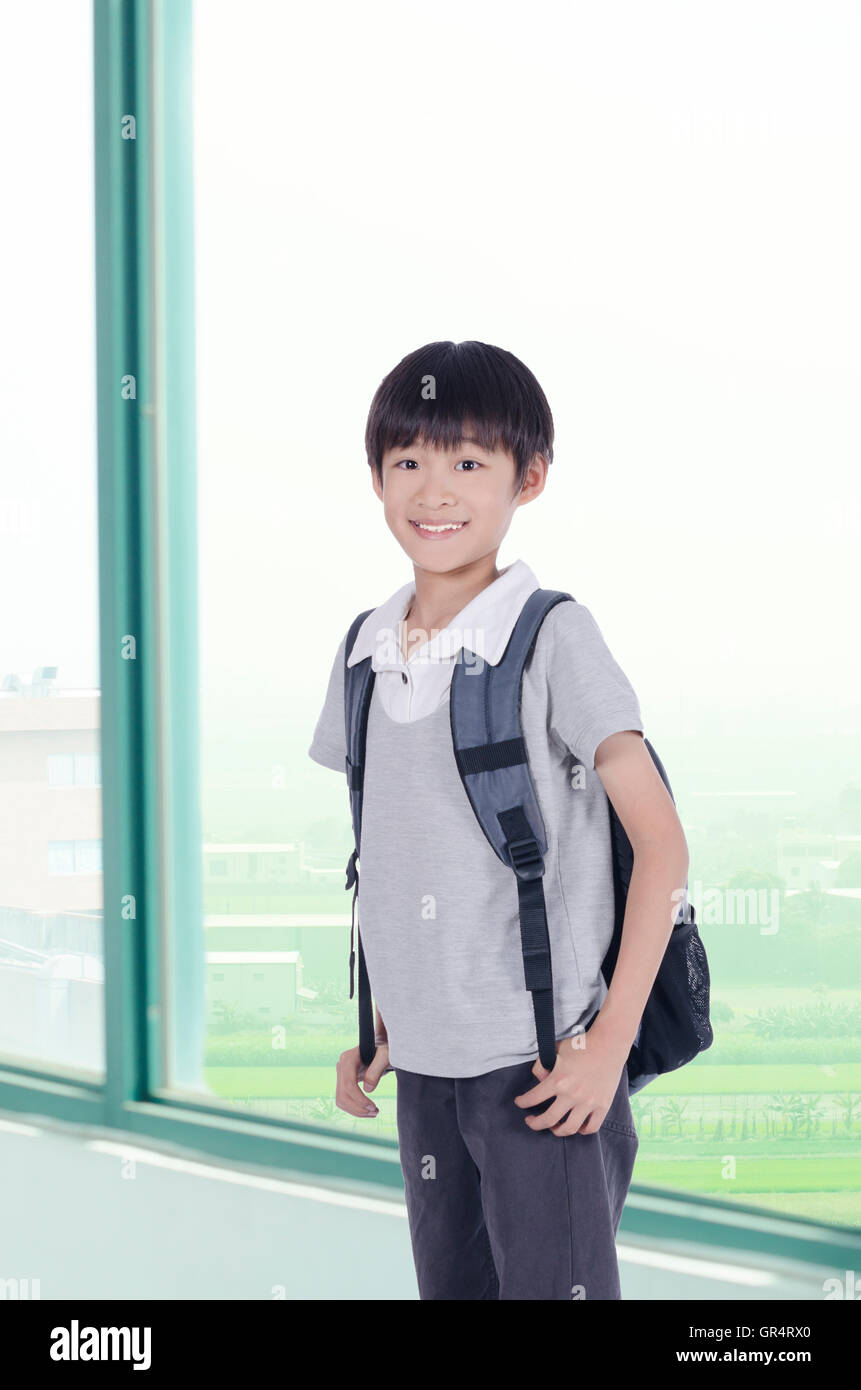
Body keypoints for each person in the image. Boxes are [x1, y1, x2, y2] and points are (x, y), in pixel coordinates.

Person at [308, 339, 689, 1300]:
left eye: (468, 462)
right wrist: (384, 1025)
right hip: (425, 1073)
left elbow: (662, 845)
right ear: (376, 479)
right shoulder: (363, 647)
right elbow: (399, 853)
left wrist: (604, 1051)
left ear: (530, 477)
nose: (434, 491)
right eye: (408, 463)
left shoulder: (551, 636)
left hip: (540, 1070)